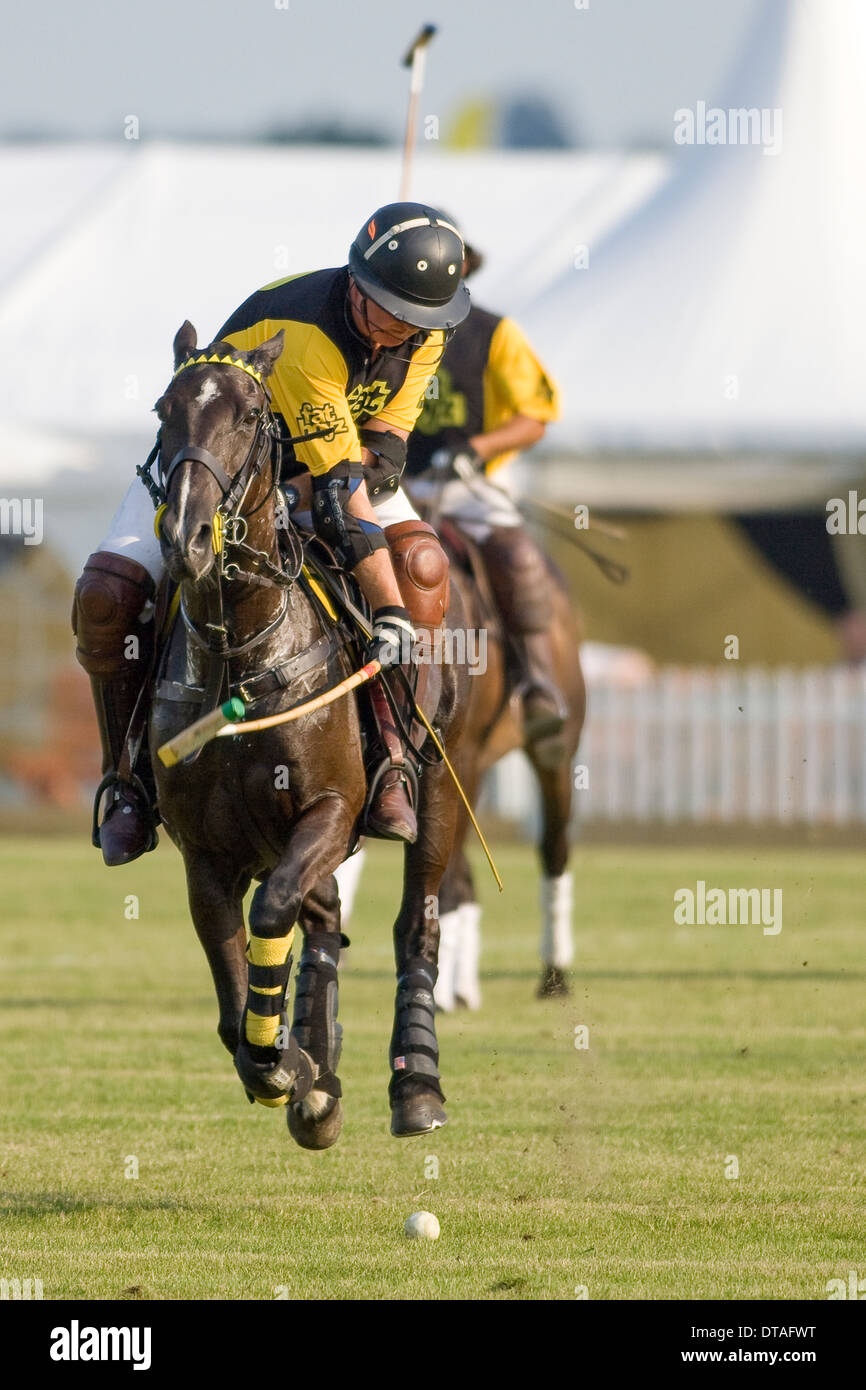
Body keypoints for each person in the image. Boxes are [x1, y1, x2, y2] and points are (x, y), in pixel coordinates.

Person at [73, 203, 469, 865]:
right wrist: (387, 608)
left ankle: (394, 760)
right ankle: (129, 780)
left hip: (328, 471)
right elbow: (341, 493)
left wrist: (398, 609)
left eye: (416, 318)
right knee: (108, 595)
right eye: (387, 308)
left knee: (424, 568)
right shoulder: (306, 334)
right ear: (357, 285)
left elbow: (384, 448)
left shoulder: (426, 331)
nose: (400, 328)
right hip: (213, 466)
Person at [404, 217, 565, 744]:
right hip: (386, 486)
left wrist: (477, 448)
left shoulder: (495, 332)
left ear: (466, 265)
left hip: (465, 489)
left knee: (517, 554)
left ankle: (538, 680)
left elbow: (534, 416)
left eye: (448, 260)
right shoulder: (385, 324)